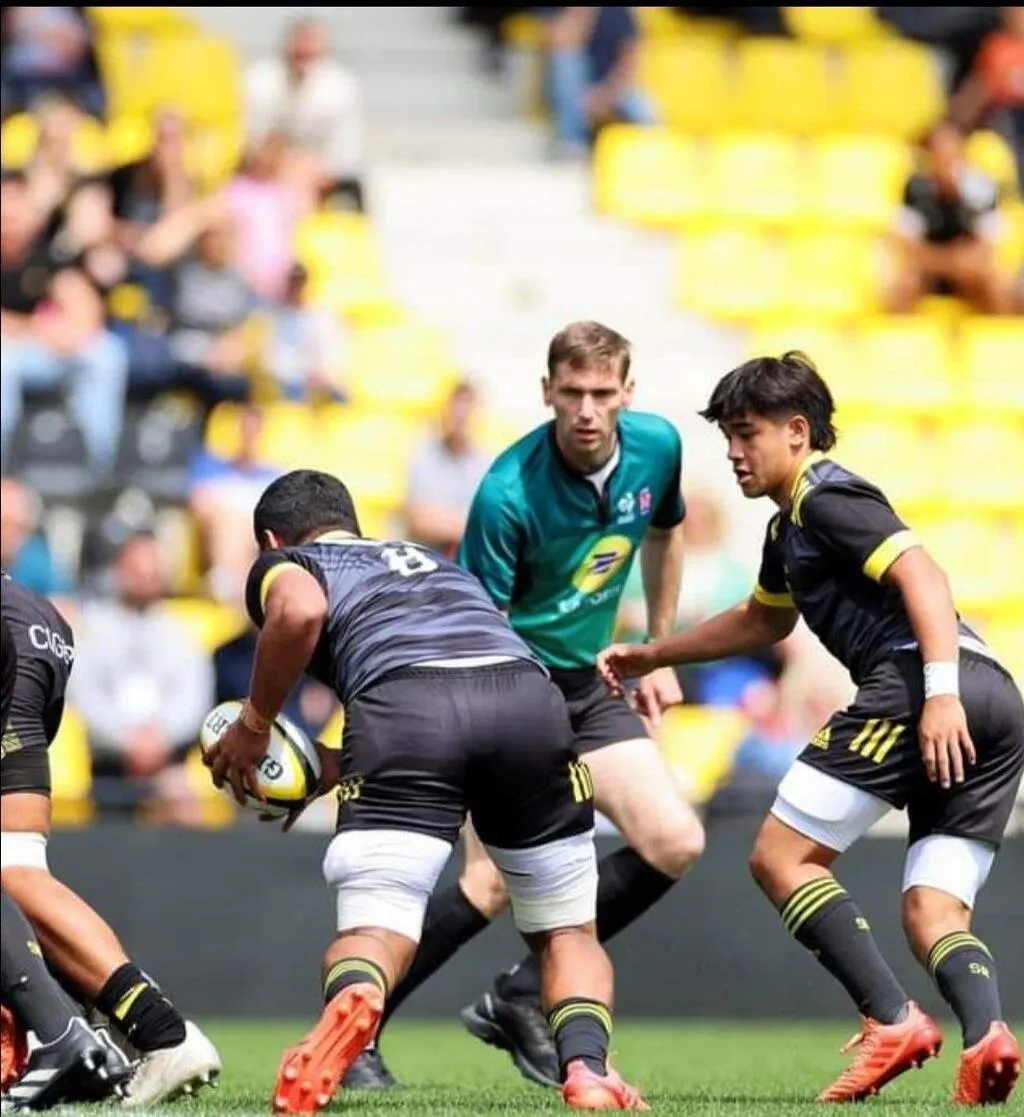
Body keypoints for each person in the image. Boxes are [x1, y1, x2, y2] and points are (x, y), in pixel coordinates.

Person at [598, 351, 1024, 1106]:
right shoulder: (785, 531)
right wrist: (655, 651)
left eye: (746, 433)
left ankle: (890, 1018)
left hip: (926, 682)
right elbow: (764, 618)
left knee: (780, 857)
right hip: (997, 697)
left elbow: (924, 576)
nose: (732, 452)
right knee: (933, 908)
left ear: (798, 431)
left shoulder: (828, 497)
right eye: (727, 436)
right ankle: (989, 1032)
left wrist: (939, 693)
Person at [204, 469, 647, 1113]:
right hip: (526, 698)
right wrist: (320, 768)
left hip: (403, 707)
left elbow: (300, 609)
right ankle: (587, 1070)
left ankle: (358, 997)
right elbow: (461, 696)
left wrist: (255, 724)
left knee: (377, 932)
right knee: (567, 932)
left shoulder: (291, 562)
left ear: (271, 540)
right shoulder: (436, 567)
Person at [351, 320, 703, 1091]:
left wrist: (660, 647)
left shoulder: (659, 446)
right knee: (487, 881)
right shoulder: (507, 491)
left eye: (601, 393)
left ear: (628, 394)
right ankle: (353, 1036)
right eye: (570, 392)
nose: (585, 408)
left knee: (674, 839)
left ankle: (519, 993)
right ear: (546, 391)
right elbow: (471, 625)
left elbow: (666, 535)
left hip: (588, 682)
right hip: (505, 691)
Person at [0, 572, 222, 1107]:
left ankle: (148, 1031)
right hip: (38, 624)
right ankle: (95, 1039)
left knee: (11, 865)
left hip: (13, 632)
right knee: (14, 860)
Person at [886, 122, 1013, 315]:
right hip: (930, 269)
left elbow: (986, 248)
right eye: (938, 151)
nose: (944, 158)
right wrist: (948, 263)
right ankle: (897, 340)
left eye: (950, 151)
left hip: (968, 270)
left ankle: (1002, 339)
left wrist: (963, 263)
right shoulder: (915, 189)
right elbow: (909, 246)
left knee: (995, 282)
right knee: (905, 282)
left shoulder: (982, 188)